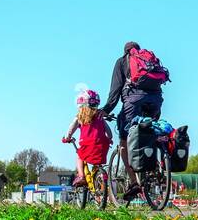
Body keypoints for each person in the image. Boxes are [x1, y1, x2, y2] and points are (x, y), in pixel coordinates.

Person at [100, 41, 166, 199]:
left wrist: (106, 110)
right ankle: (158, 166)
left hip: (134, 101)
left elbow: (115, 90)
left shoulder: (122, 61)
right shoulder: (149, 61)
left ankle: (134, 182)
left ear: (125, 51)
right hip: (156, 100)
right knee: (150, 132)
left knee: (124, 141)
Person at [61, 89, 112, 189]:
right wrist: (109, 138)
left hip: (87, 144)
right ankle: (99, 179)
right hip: (102, 145)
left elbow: (71, 128)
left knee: (80, 156)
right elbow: (109, 132)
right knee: (97, 161)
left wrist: (67, 137)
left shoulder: (80, 117)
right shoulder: (99, 116)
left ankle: (81, 176)